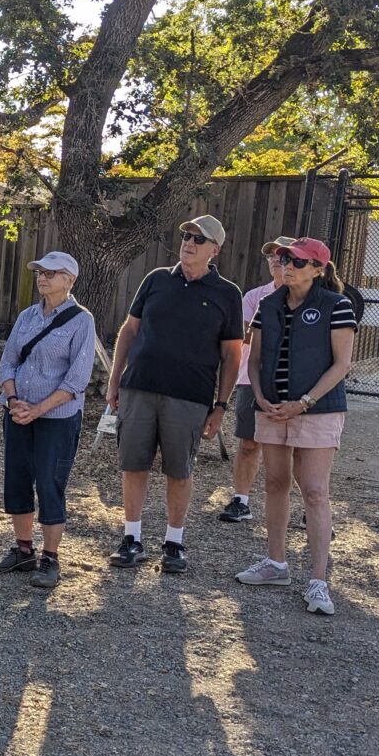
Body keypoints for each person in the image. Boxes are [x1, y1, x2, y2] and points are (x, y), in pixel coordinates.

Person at [105, 214, 243, 573]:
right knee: (133, 464)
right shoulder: (155, 280)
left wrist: (221, 405)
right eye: (186, 235)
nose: (189, 243)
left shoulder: (227, 294)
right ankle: (132, 538)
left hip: (189, 396)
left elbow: (232, 355)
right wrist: (114, 379)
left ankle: (174, 543)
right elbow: (129, 331)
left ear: (215, 249)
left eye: (199, 239)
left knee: (179, 470)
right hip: (139, 387)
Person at [234, 238, 355, 615]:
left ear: (319, 269)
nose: (287, 266)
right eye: (284, 259)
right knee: (274, 483)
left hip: (317, 410)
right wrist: (260, 394)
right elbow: (253, 359)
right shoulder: (268, 305)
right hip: (271, 408)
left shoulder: (337, 305)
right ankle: (276, 563)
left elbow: (342, 364)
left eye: (298, 262)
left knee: (315, 490)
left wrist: (304, 403)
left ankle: (318, 580)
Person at [0, 251, 97, 588]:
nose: (42, 278)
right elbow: (7, 363)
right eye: (39, 272)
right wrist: (15, 400)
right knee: (17, 478)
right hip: (18, 412)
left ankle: (50, 558)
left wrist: (37, 409)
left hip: (57, 417)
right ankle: (23, 550)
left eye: (51, 273)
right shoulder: (27, 317)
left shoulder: (81, 320)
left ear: (70, 280)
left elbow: (76, 380)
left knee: (50, 482)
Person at [216, 237, 293, 523]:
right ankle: (241, 500)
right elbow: (243, 335)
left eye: (282, 255)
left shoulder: (312, 297)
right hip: (252, 377)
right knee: (249, 442)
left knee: (298, 446)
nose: (275, 259)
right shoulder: (253, 297)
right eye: (271, 255)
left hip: (295, 382)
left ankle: (309, 509)